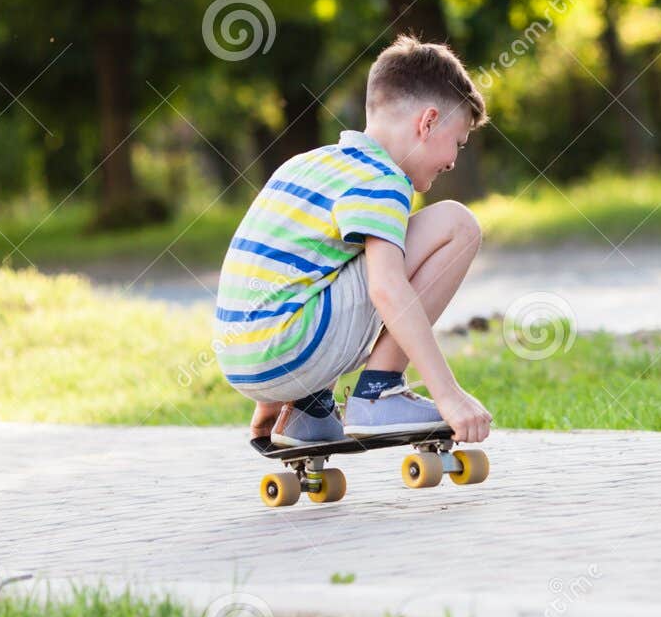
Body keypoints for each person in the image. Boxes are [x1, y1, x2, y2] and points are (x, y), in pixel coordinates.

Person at [212, 34, 494, 448]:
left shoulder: (308, 165)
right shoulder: (382, 180)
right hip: (293, 348)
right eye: (457, 142)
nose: (453, 160)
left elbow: (272, 264)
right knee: (458, 225)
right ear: (428, 122)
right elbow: (387, 289)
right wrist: (448, 396)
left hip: (243, 357)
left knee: (340, 256)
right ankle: (379, 392)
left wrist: (274, 388)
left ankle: (308, 409)